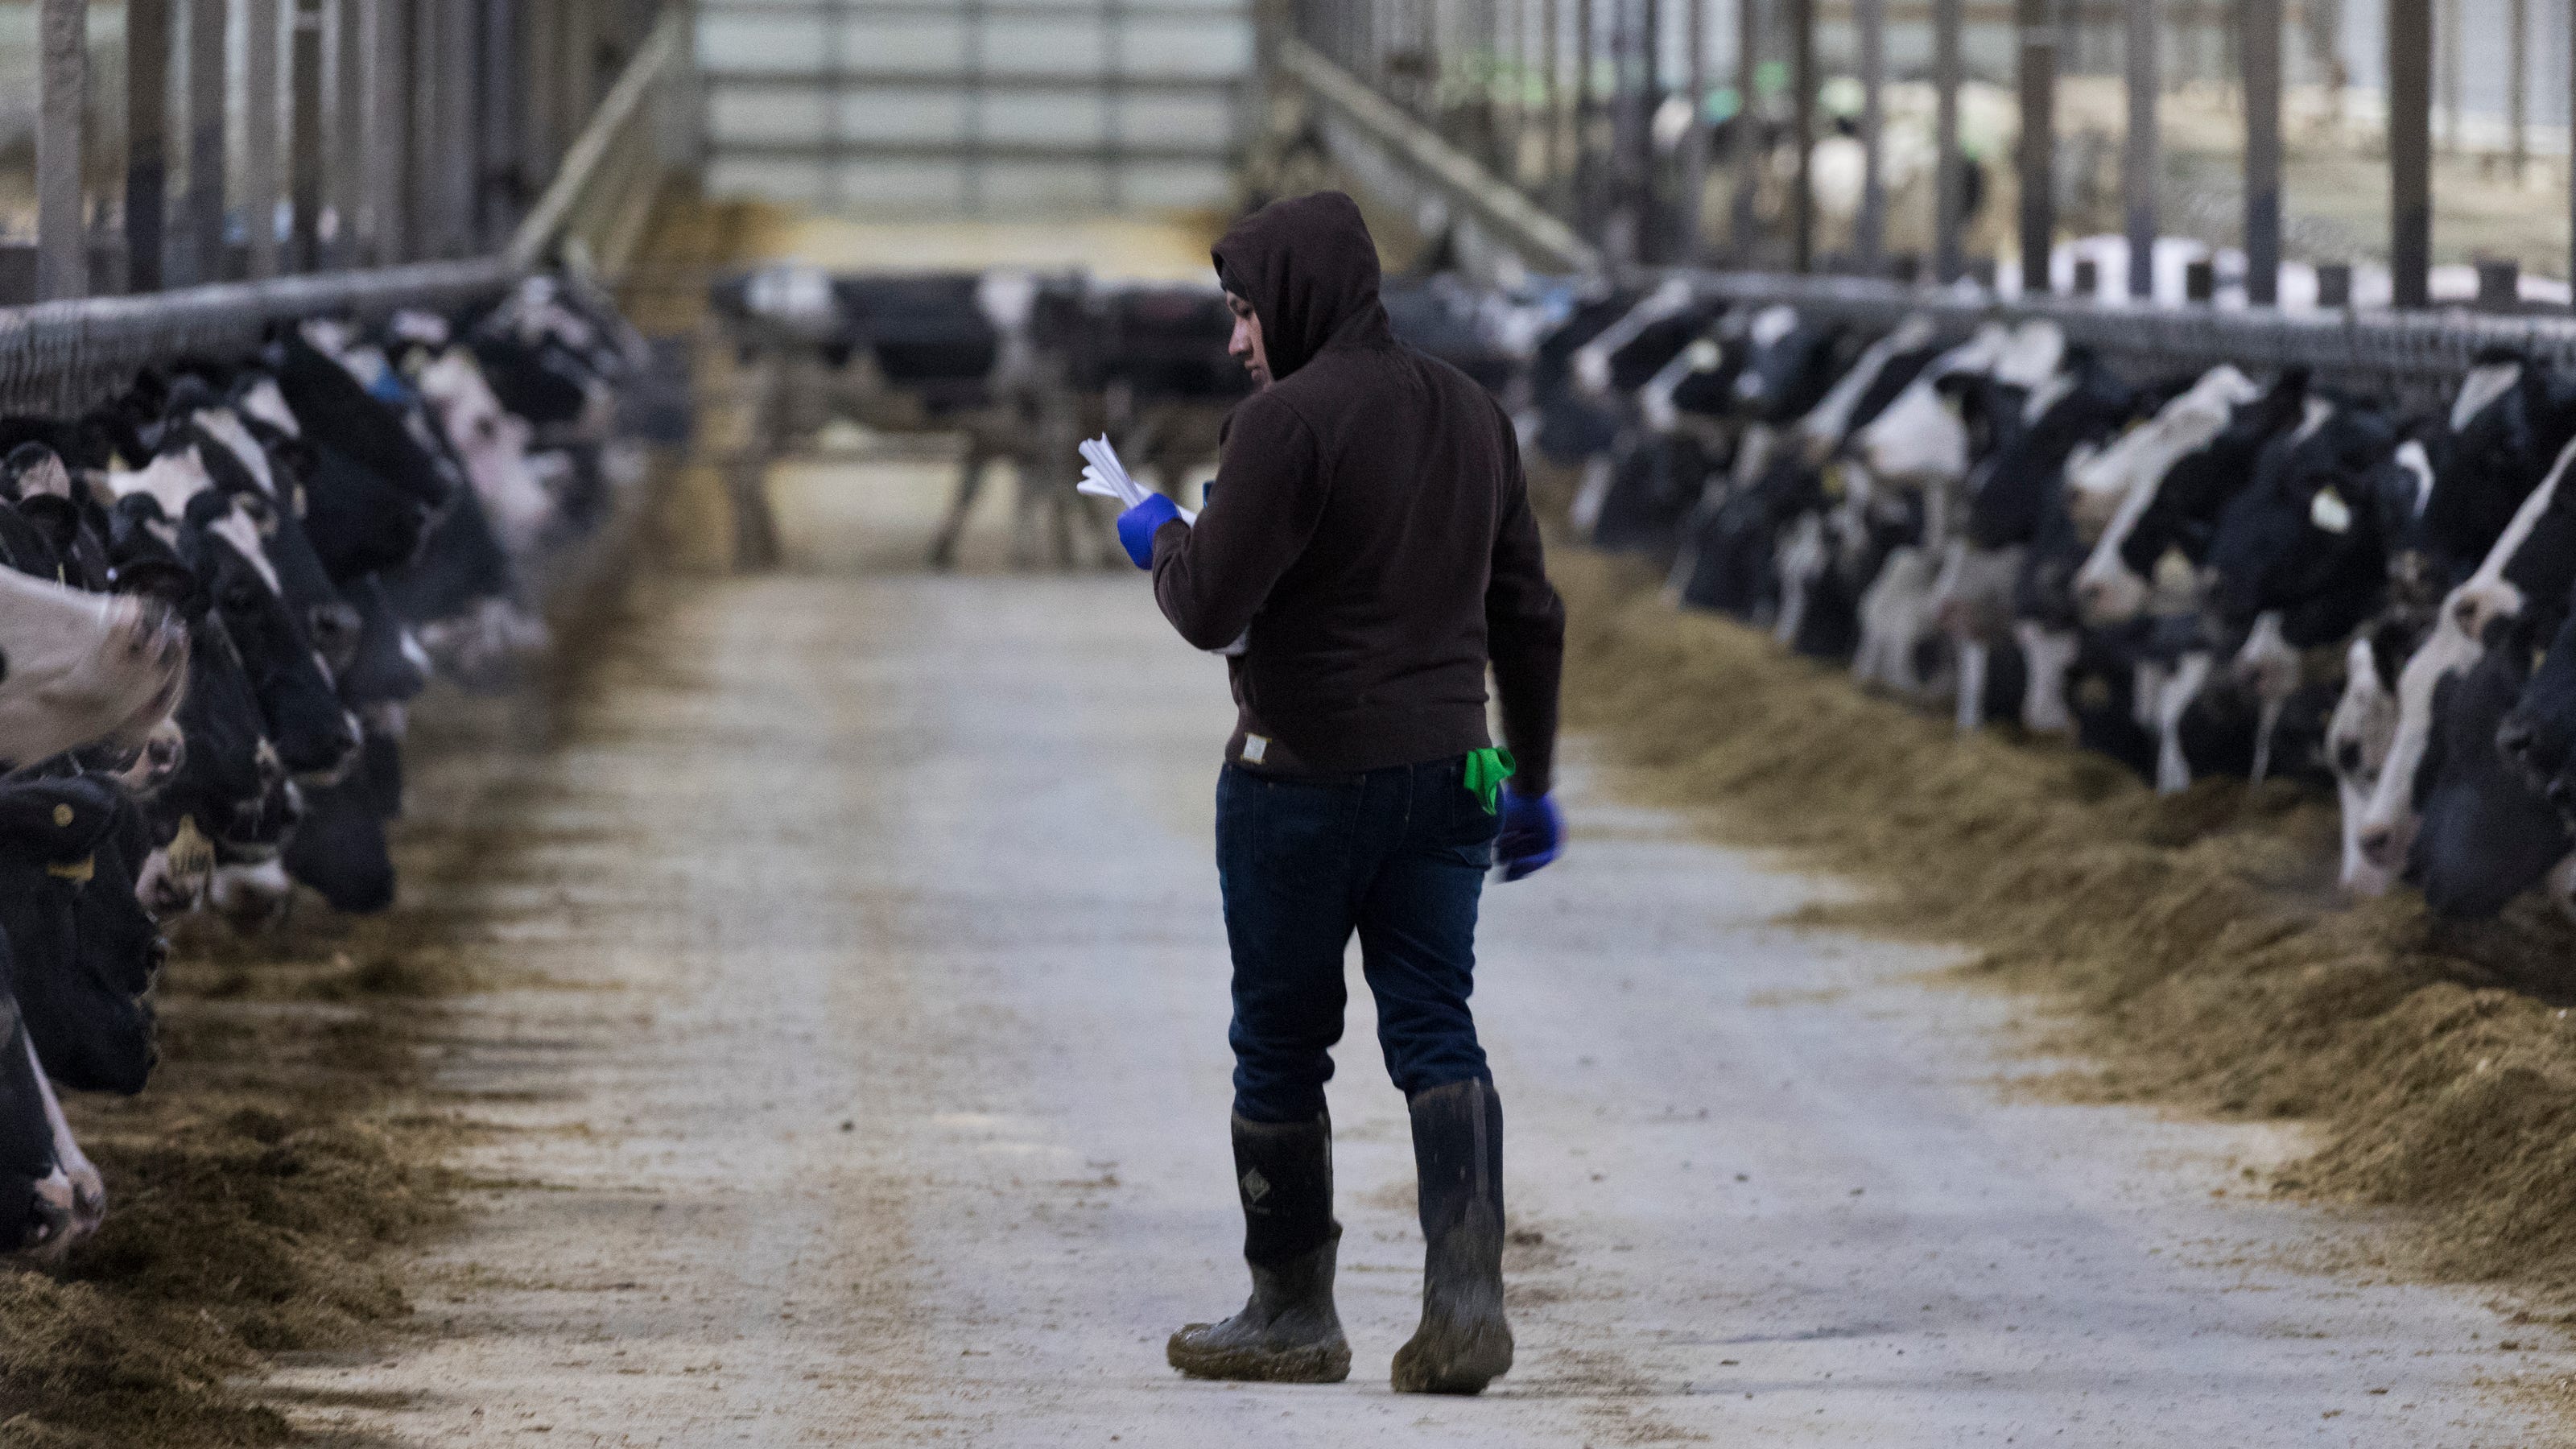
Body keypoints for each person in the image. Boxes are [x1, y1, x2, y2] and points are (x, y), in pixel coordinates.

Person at [1113, 191, 1565, 1395]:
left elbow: (1210, 610)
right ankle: (1465, 1297)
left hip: (1298, 782)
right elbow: (1529, 611)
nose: (1235, 342)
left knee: (1279, 1044)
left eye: (1244, 312)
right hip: (1450, 775)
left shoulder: (1284, 425)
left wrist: (1157, 533)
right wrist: (1534, 777)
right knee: (1436, 1027)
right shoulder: (1476, 414)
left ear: (1293, 300)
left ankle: (1291, 1314)